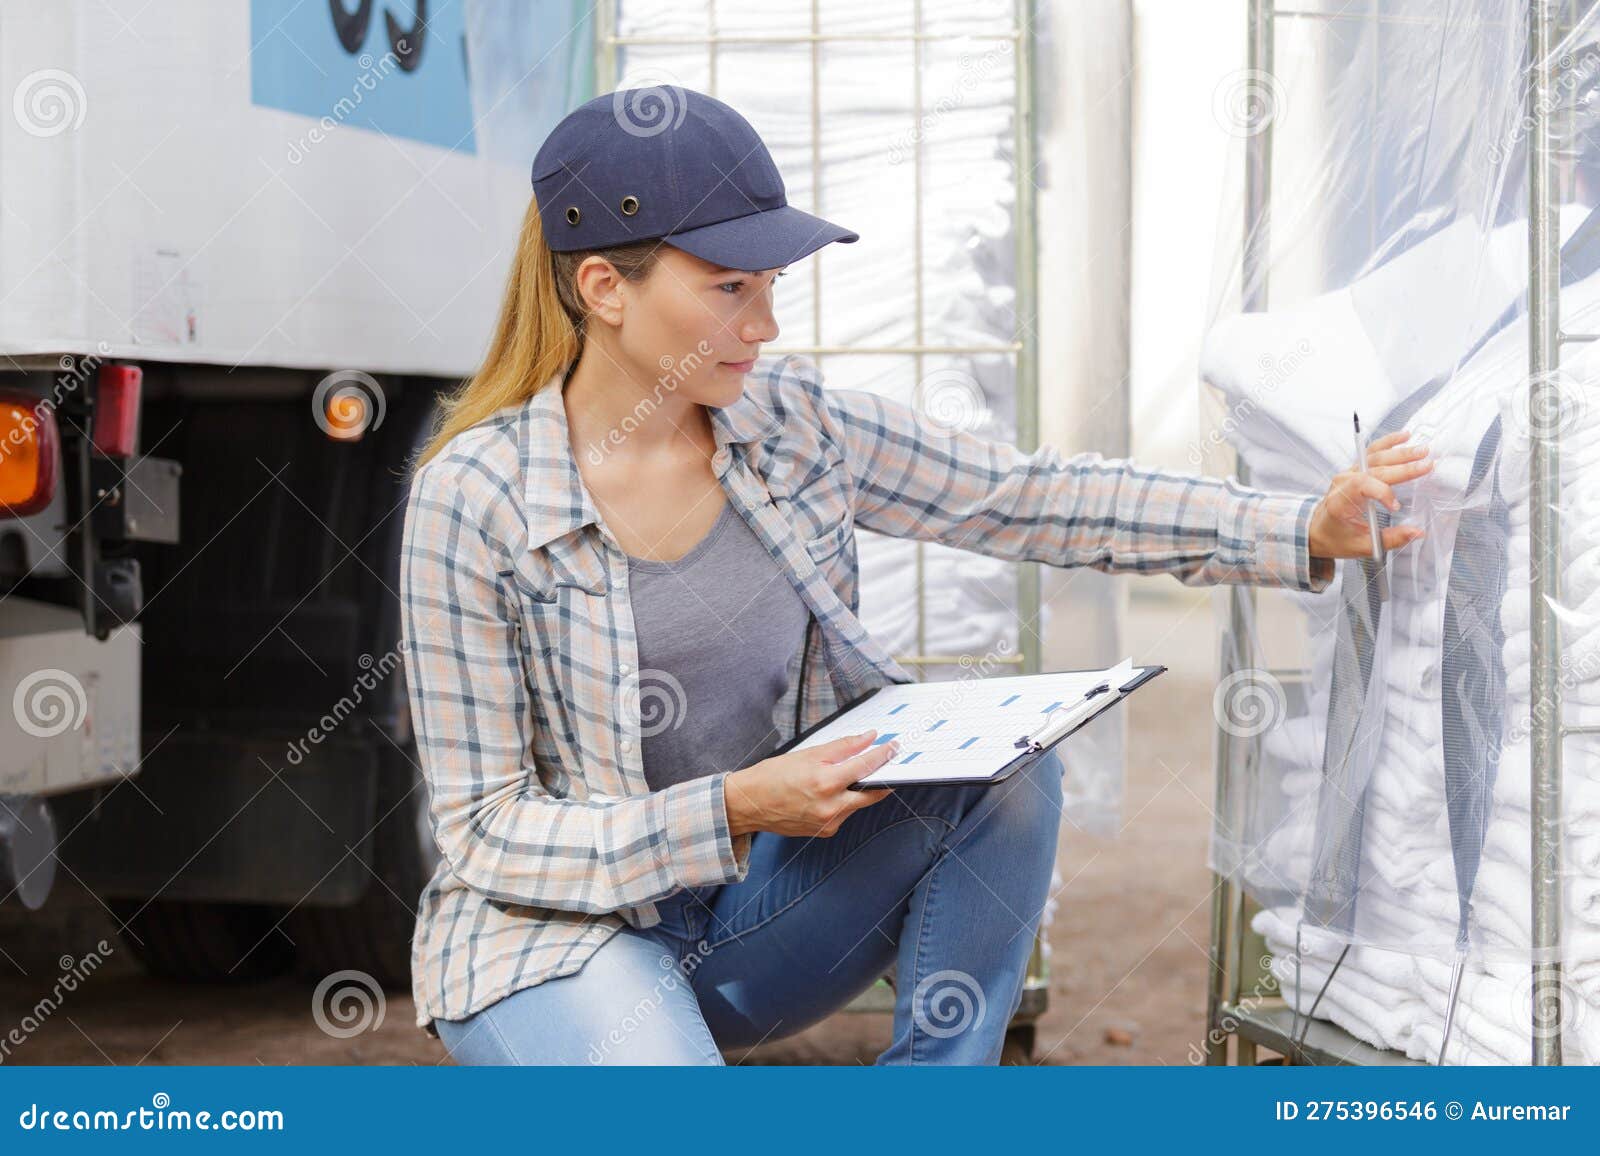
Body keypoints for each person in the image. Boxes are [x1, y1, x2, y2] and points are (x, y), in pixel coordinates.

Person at [398, 85, 1432, 1065]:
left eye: (769, 288)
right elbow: (489, 834)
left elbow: (1028, 498)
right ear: (601, 288)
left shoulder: (791, 428)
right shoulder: (477, 499)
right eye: (727, 289)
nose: (762, 327)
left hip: (741, 928)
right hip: (552, 943)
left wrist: (1301, 527)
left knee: (1010, 770)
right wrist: (737, 807)